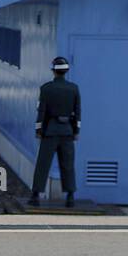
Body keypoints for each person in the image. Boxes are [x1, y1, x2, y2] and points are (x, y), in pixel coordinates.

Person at [30, 56, 81, 208]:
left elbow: (41, 112)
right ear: (66, 71)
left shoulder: (46, 89)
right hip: (67, 132)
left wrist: (39, 130)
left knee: (43, 164)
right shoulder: (74, 88)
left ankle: (36, 195)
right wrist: (76, 130)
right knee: (67, 164)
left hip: (50, 131)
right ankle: (70, 196)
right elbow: (77, 112)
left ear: (53, 71)